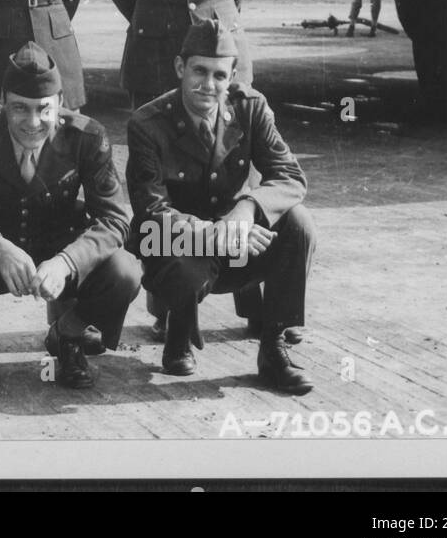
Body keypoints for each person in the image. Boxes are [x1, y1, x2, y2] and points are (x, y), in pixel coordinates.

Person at [103, 0, 257, 332]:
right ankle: (168, 299)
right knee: (157, 181)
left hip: (221, 58)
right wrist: (158, 24)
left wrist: (218, 32)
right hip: (154, 56)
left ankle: (252, 294)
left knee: (236, 167)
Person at [0, 43, 141, 397]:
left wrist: (66, 262)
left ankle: (68, 335)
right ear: (2, 103)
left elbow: (114, 218)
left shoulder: (87, 137)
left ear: (60, 102)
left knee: (126, 271)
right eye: (19, 109)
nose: (32, 123)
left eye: (43, 109)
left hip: (55, 252)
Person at [125, 20, 315, 394]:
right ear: (181, 68)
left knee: (298, 224)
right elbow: (150, 211)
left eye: (219, 75)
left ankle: (273, 348)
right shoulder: (148, 124)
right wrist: (216, 234)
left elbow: (291, 177)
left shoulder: (250, 109)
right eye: (198, 71)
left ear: (231, 77)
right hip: (173, 247)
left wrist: (246, 209)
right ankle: (177, 332)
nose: (208, 85)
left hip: (237, 239)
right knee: (176, 256)